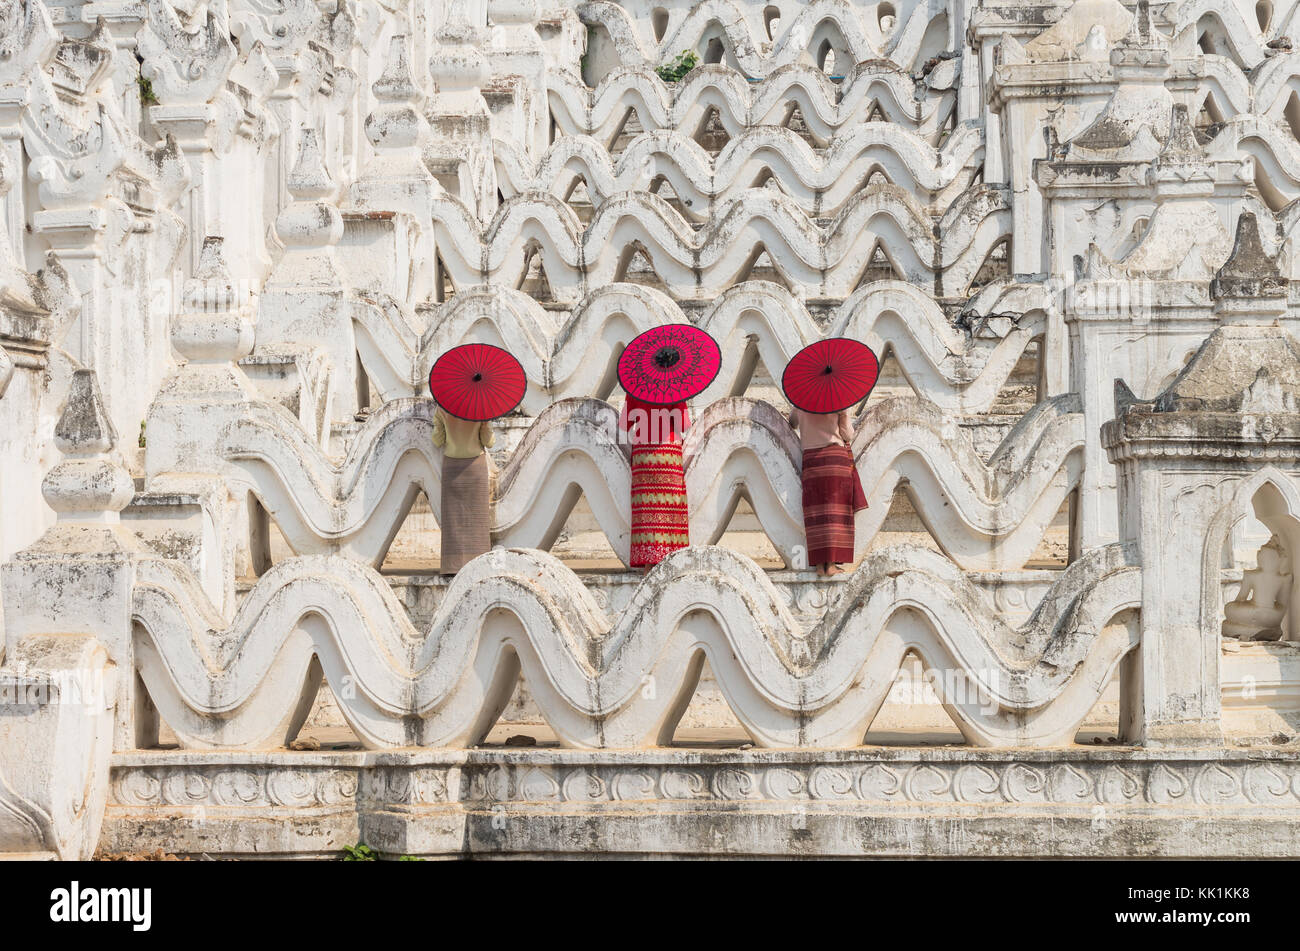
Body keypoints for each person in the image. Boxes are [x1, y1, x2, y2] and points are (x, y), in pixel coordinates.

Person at [789, 406, 866, 576]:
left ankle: (819, 566)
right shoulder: (840, 402)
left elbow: (792, 423)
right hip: (835, 460)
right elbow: (847, 435)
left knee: (816, 513)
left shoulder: (801, 401)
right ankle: (831, 565)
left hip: (811, 462)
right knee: (836, 514)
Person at [620, 394, 690, 570]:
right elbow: (684, 425)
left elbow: (624, 424)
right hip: (668, 453)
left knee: (647, 510)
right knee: (670, 509)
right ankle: (670, 558)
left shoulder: (636, 387)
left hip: (644, 452)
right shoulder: (674, 387)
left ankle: (649, 563)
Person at [432, 406, 495, 574]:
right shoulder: (481, 409)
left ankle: (452, 565)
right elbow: (489, 442)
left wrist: (441, 426)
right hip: (475, 466)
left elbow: (437, 441)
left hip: (452, 466)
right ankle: (479, 563)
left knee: (453, 519)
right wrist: (485, 425)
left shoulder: (442, 410)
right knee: (478, 518)